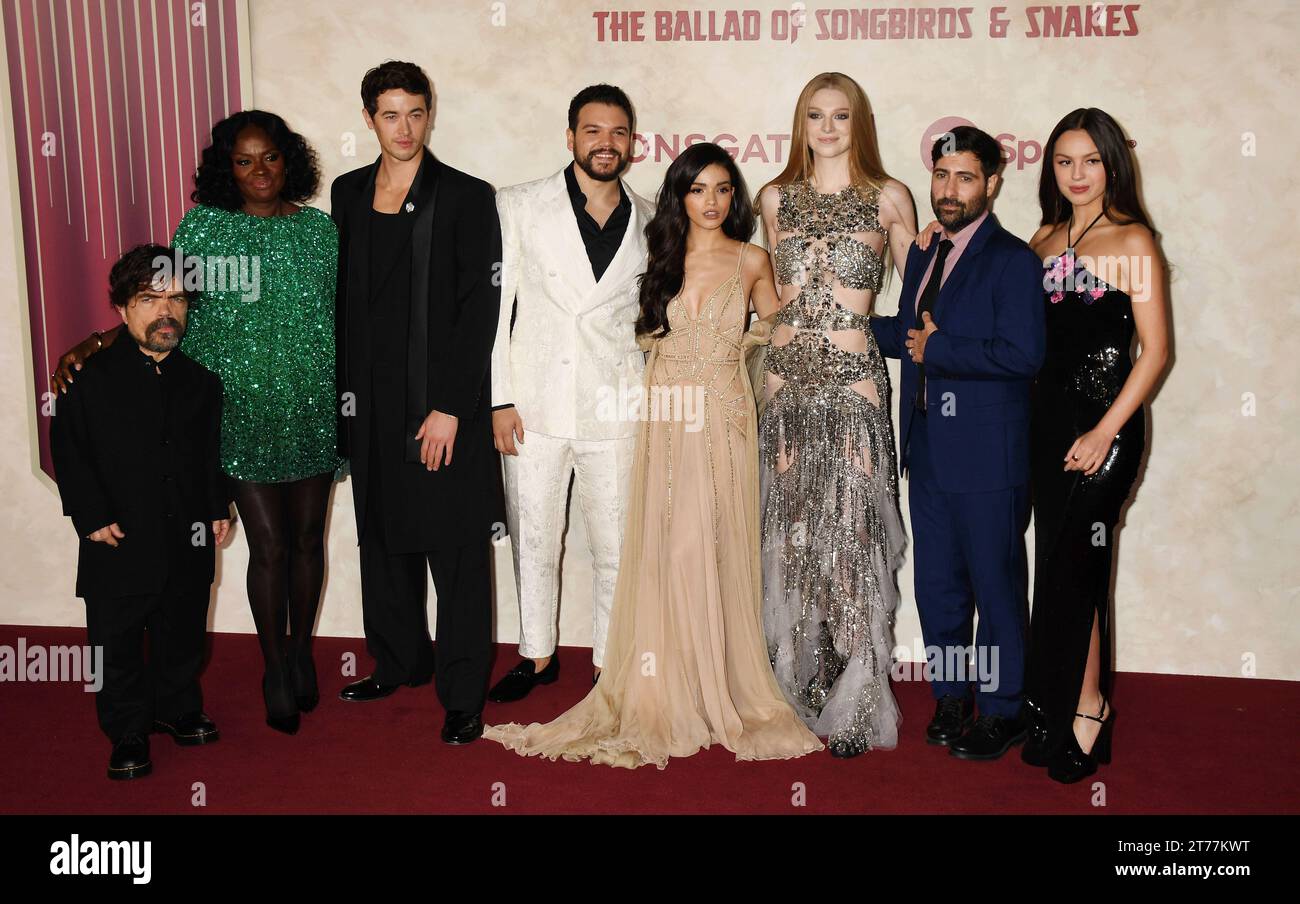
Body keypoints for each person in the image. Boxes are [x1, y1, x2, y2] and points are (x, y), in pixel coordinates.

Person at [484, 143, 824, 768]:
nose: (712, 202)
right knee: (666, 546)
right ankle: (658, 680)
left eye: (723, 189)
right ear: (680, 197)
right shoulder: (657, 254)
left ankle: (709, 684)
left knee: (712, 544)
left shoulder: (753, 259)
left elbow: (782, 338)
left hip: (723, 414)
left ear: (736, 197)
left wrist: (795, 357)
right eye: (698, 190)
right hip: (663, 415)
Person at [53, 111, 340, 735]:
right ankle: (272, 666)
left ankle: (299, 655)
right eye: (243, 160)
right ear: (224, 168)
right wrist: (99, 341)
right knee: (267, 546)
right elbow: (162, 306)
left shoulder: (320, 231)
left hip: (310, 405)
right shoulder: (205, 229)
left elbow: (345, 313)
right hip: (234, 410)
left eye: (270, 157)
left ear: (288, 160)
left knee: (308, 540)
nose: (259, 171)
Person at [330, 60, 503, 746]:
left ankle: (462, 693)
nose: (404, 129)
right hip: (365, 402)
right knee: (381, 537)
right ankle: (397, 659)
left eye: (416, 113)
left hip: (437, 405)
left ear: (432, 115)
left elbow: (477, 308)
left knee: (456, 548)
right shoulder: (345, 194)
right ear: (368, 118)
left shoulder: (465, 195)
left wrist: (453, 406)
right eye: (390, 114)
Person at [756, 72, 917, 758]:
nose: (827, 128)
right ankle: (796, 691)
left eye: (840, 115)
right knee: (791, 548)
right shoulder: (772, 198)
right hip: (786, 392)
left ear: (860, 123)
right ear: (800, 124)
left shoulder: (889, 198)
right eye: (815, 116)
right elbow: (763, 303)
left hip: (856, 395)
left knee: (853, 545)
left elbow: (925, 299)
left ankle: (857, 701)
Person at [872, 125, 1045, 760]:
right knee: (939, 585)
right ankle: (951, 694)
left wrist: (938, 348)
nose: (949, 190)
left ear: (993, 184)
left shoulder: (1013, 260)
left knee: (995, 586)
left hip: (989, 457)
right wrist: (844, 327)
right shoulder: (924, 252)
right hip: (928, 450)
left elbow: (1024, 354)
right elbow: (910, 332)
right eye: (942, 176)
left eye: (965, 178)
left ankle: (1002, 709)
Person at [487, 85, 653, 701]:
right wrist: (499, 399)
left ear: (631, 143)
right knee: (534, 536)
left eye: (617, 132)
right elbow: (495, 311)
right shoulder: (519, 204)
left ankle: (610, 663)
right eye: (593, 131)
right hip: (534, 403)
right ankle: (537, 655)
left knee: (615, 543)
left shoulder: (652, 214)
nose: (605, 143)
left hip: (616, 405)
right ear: (570, 137)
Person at [1021, 108, 1168, 783]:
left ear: (1112, 164)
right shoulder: (1042, 240)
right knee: (1054, 567)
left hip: (1107, 429)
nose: (1077, 174)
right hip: (1047, 427)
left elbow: (1156, 352)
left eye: (1090, 161)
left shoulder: (1134, 241)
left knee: (1082, 565)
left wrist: (1105, 430)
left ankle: (1089, 706)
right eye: (1063, 161)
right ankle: (1058, 700)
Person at [50, 244, 230, 780]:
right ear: (123, 309)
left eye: (176, 298)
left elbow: (207, 455)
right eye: (150, 299)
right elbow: (70, 452)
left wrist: (216, 506)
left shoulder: (201, 382)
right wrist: (91, 515)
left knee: (184, 629)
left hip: (187, 534)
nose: (166, 311)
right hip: (117, 537)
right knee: (117, 639)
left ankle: (177, 708)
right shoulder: (87, 378)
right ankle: (127, 730)